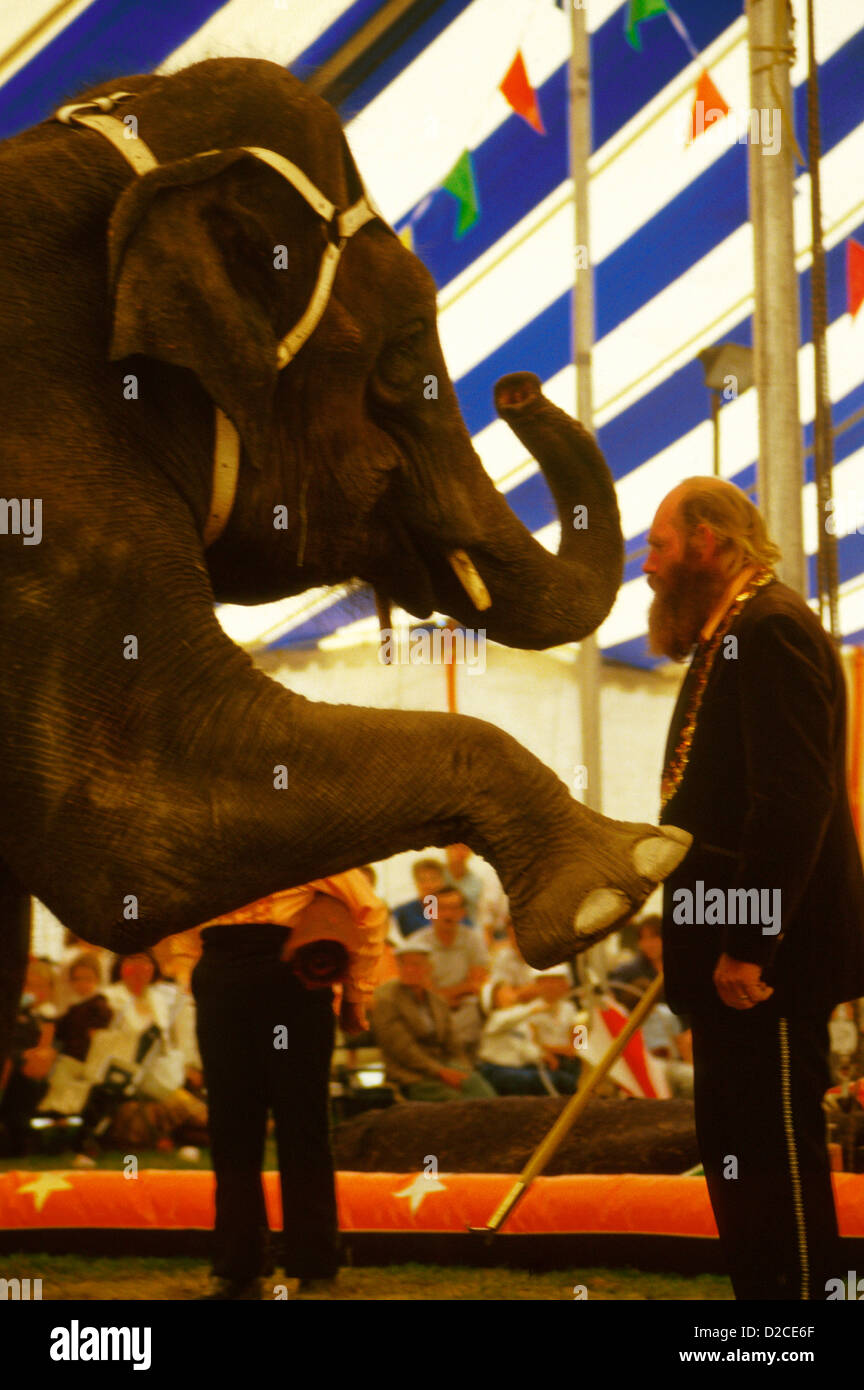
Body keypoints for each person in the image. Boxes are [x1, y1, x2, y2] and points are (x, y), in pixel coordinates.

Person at [645, 475, 864, 1300]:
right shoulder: (727, 634)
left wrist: (746, 944)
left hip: (764, 967)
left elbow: (792, 802)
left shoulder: (771, 629)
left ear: (708, 542)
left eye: (660, 546)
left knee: (775, 1158)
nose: (649, 567)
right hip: (727, 957)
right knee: (738, 1157)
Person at [192, 871, 388, 1300]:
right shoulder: (209, 844)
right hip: (224, 978)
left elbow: (370, 911)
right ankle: (238, 1270)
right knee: (230, 1129)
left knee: (301, 1126)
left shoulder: (304, 838)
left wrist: (357, 991)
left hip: (285, 976)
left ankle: (313, 1265)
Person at [371, 942, 495, 1100]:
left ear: (429, 968)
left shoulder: (437, 1001)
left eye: (416, 964)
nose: (409, 969)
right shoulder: (386, 999)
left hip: (445, 1066)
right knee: (462, 1102)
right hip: (411, 1075)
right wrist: (441, 1072)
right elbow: (403, 1049)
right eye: (404, 964)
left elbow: (453, 1044)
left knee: (479, 1087)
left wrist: (462, 1069)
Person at [410, 885, 490, 1053]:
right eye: (442, 908)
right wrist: (461, 990)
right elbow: (422, 992)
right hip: (428, 1012)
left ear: (463, 912)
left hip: (465, 1011)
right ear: (431, 911)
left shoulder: (473, 940)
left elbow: (477, 985)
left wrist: (442, 994)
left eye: (454, 908)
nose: (448, 914)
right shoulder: (417, 943)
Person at [392, 858, 447, 937]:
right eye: (423, 880)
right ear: (416, 883)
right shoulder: (401, 913)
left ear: (443, 881)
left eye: (433, 879)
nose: (429, 885)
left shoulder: (455, 911)